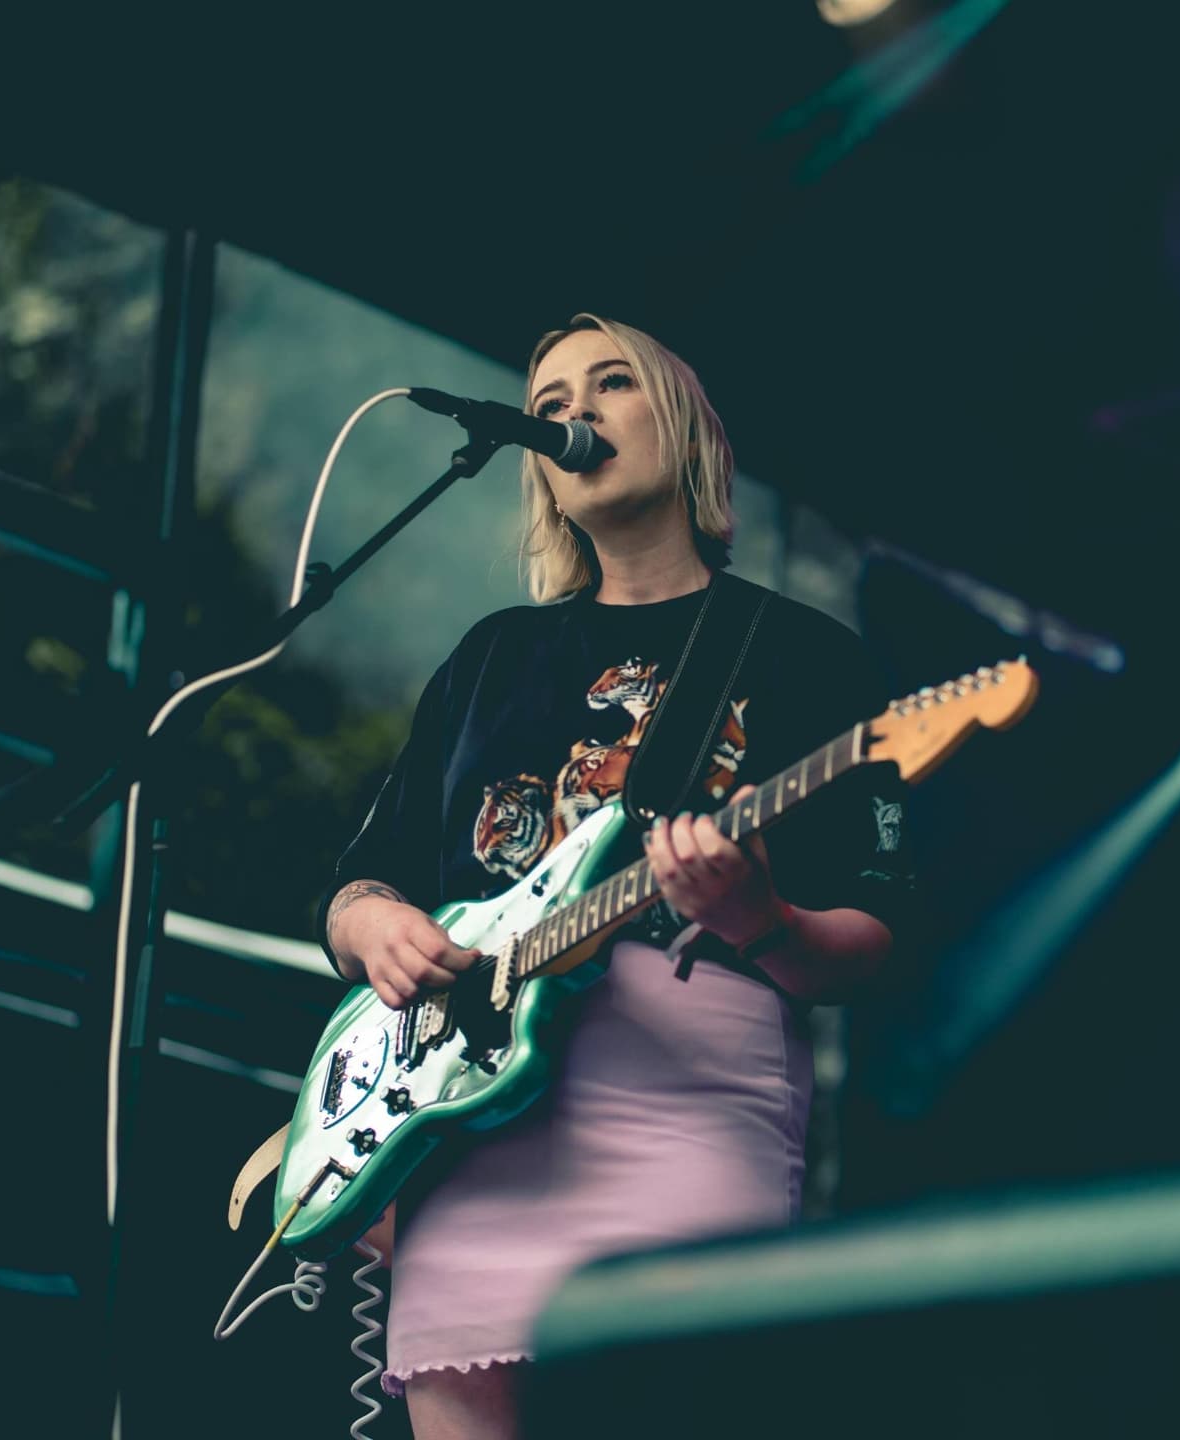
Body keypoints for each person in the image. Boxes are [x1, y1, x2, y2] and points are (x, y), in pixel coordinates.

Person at [318, 314, 916, 1439]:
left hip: (685, 1122)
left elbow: (883, 937)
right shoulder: (492, 656)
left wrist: (763, 918)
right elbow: (362, 879)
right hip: (467, 1130)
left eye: (611, 384)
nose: (573, 413)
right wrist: (377, 928)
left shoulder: (804, 656)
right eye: (548, 405)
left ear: (685, 429)